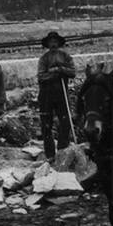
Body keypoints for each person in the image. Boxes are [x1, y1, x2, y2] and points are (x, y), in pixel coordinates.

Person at [37, 30, 76, 160]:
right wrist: (54, 74)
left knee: (65, 122)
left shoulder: (65, 56)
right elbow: (41, 77)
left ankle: (62, 150)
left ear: (59, 43)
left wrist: (60, 69)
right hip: (46, 94)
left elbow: (72, 72)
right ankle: (50, 155)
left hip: (61, 93)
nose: (53, 44)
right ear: (48, 44)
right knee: (46, 124)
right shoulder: (44, 59)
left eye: (55, 42)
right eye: (51, 42)